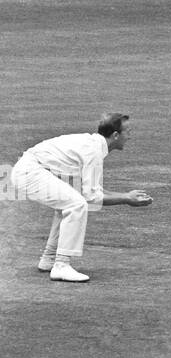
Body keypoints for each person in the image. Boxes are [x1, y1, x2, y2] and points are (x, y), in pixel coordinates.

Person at [6, 113, 152, 282]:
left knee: (70, 203)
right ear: (116, 135)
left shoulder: (93, 145)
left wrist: (126, 196)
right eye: (128, 131)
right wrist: (126, 199)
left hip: (29, 170)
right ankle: (61, 265)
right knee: (76, 205)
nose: (130, 136)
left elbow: (92, 191)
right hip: (30, 172)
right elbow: (91, 198)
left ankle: (49, 259)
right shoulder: (94, 151)